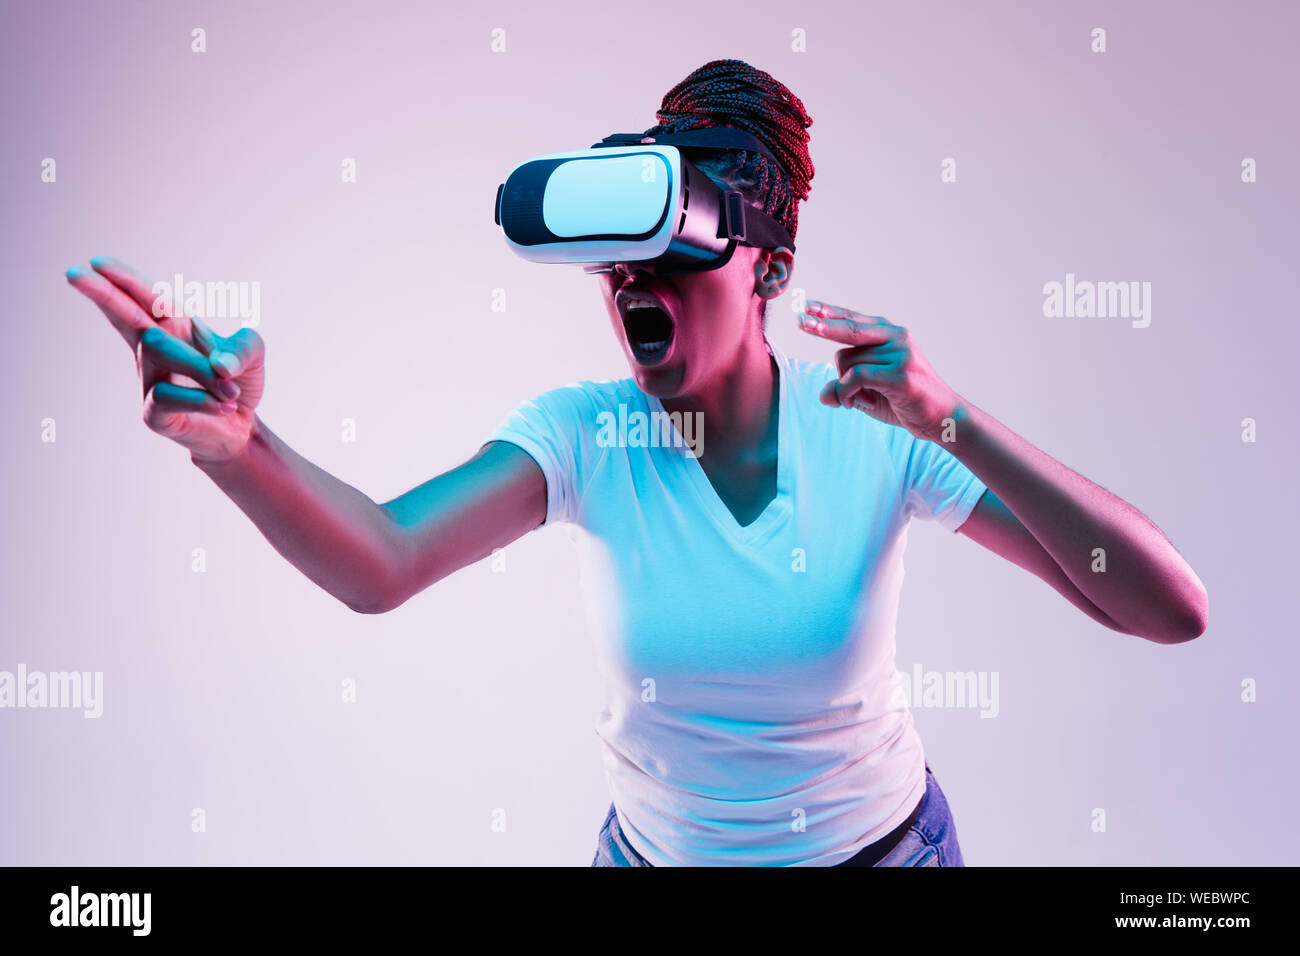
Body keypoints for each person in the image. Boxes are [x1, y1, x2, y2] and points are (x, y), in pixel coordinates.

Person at [65, 59, 1207, 867]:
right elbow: (387, 559)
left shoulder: (869, 421)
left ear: (768, 265)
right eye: (614, 265)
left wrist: (947, 415)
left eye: (672, 257)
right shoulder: (585, 433)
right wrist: (240, 448)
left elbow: (1165, 607)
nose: (632, 288)